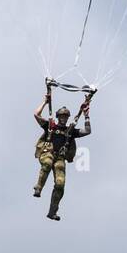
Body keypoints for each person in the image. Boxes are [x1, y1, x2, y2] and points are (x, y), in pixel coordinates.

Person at [34, 81, 93, 221]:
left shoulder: (70, 131)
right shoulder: (50, 126)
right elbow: (36, 115)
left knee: (60, 184)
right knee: (47, 163)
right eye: (61, 116)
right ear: (58, 116)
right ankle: (38, 187)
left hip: (60, 158)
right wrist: (45, 101)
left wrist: (86, 115)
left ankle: (52, 211)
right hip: (47, 153)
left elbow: (88, 131)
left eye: (65, 117)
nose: (63, 118)